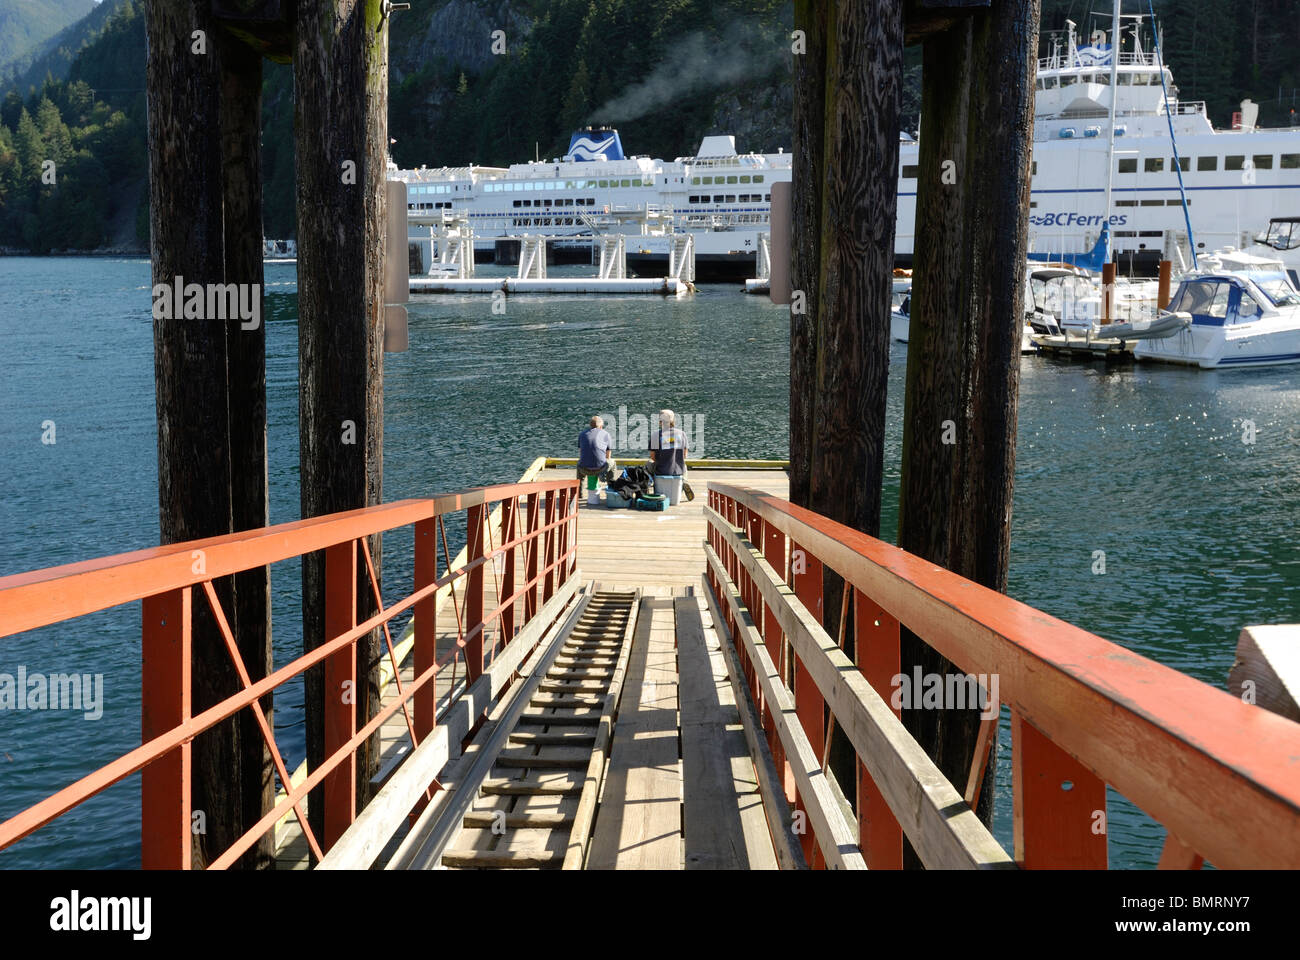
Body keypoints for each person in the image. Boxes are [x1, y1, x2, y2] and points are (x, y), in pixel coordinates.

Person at [648, 408, 690, 505]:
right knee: (684, 466)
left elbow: (652, 457)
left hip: (661, 471)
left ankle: (648, 485)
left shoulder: (655, 435)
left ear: (660, 421)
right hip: (678, 471)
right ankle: (684, 481)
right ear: (673, 420)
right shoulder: (682, 434)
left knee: (649, 464)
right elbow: (685, 455)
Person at [577, 415, 615, 487]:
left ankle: (579, 491)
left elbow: (581, 453)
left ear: (590, 425)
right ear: (601, 426)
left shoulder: (582, 434)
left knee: (579, 463)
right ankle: (610, 485)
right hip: (600, 469)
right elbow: (608, 456)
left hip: (584, 469)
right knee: (612, 462)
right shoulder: (606, 434)